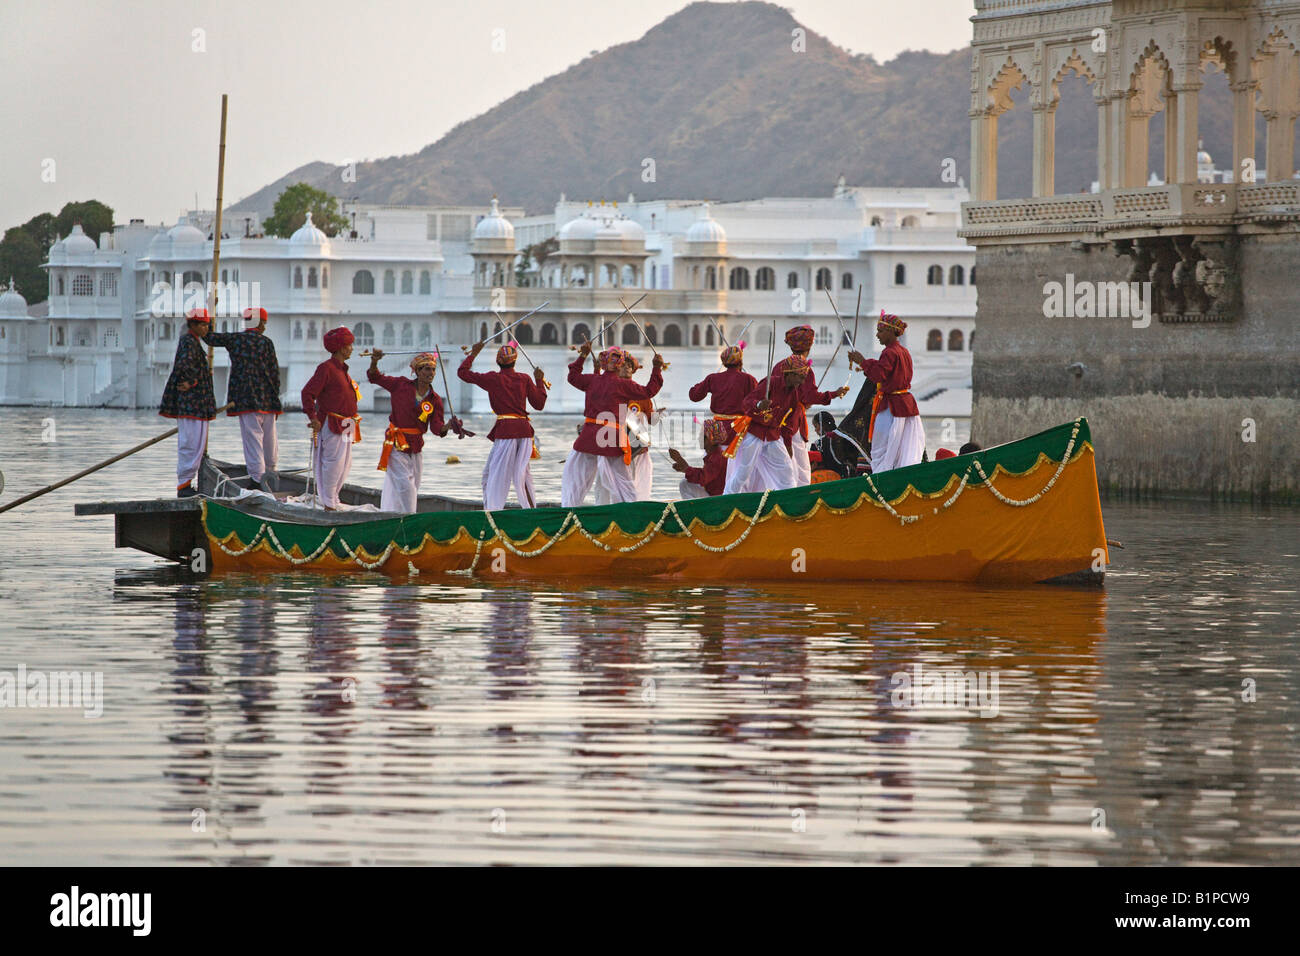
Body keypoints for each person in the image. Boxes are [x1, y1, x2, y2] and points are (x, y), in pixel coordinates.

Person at [724, 356, 849, 494]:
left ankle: (788, 501)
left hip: (772, 435)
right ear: (790, 374)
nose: (802, 382)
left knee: (787, 470)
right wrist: (759, 404)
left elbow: (788, 424)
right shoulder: (770, 383)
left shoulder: (794, 394)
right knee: (743, 472)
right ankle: (728, 499)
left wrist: (788, 445)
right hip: (755, 433)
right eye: (800, 377)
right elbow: (747, 402)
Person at [561, 344, 664, 506]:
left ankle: (567, 510)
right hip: (612, 439)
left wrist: (583, 356)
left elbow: (572, 377)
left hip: (589, 436)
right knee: (623, 481)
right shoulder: (624, 385)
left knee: (575, 477)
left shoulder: (592, 380)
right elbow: (649, 391)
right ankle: (633, 511)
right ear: (620, 365)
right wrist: (657, 368)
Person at [368, 349, 468, 512]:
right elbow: (375, 377)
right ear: (417, 371)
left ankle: (394, 514)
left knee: (412, 487)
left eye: (433, 369)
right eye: (427, 369)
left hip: (416, 447)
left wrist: (448, 426)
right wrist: (374, 361)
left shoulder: (435, 399)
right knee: (406, 487)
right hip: (396, 444)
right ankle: (411, 518)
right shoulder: (400, 384)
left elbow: (436, 427)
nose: (431, 373)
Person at [459, 340, 546, 510]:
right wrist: (539, 381)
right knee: (522, 475)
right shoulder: (525, 378)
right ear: (515, 361)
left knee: (495, 476)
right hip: (524, 431)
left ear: (498, 361)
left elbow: (462, 373)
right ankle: (530, 511)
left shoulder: (493, 378)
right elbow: (539, 404)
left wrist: (474, 353)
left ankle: (493, 512)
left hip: (507, 431)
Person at [204, 306, 282, 491]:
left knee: (253, 439)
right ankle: (271, 474)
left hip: (246, 399)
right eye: (263, 322)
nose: (264, 326)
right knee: (270, 440)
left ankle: (257, 480)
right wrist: (275, 399)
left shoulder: (236, 340)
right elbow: (274, 374)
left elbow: (209, 337)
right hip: (267, 399)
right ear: (258, 322)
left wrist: (209, 321)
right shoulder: (266, 343)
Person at [847, 311, 925, 474]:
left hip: (892, 407)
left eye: (880, 331)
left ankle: (881, 477)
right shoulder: (903, 351)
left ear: (890, 331)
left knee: (880, 448)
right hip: (907, 405)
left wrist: (861, 361)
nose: (877, 335)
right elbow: (886, 369)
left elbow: (878, 375)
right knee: (903, 447)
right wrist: (868, 364)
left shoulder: (889, 352)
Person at [302, 327, 362, 510]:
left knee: (345, 463)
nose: (352, 348)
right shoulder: (326, 368)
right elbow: (307, 393)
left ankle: (334, 498)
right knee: (332, 463)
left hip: (348, 423)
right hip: (333, 422)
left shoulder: (343, 370)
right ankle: (328, 503)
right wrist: (313, 417)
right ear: (342, 348)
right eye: (349, 345)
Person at [159, 308, 216, 497]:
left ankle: (187, 483)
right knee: (190, 444)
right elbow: (185, 367)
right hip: (192, 404)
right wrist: (194, 381)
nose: (206, 328)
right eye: (203, 324)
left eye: (207, 324)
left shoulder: (194, 342)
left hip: (198, 405)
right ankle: (183, 485)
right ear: (193, 325)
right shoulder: (188, 341)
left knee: (196, 444)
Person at [688, 344, 757, 484]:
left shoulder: (713, 378)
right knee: (738, 467)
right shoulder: (748, 379)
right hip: (739, 429)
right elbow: (757, 402)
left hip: (717, 429)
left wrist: (708, 381)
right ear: (741, 362)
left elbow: (694, 395)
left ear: (724, 363)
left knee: (717, 463)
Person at [779, 324, 822, 485]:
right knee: (801, 467)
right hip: (794, 421)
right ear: (809, 346)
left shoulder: (780, 365)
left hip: (777, 421)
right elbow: (808, 396)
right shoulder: (804, 368)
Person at [670, 419, 728, 498]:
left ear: (709, 440)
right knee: (686, 483)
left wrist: (682, 462)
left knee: (684, 485)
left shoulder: (717, 457)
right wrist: (684, 469)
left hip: (717, 499)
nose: (698, 438)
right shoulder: (715, 454)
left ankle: (693, 510)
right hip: (713, 495)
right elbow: (704, 475)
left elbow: (703, 478)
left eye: (700, 436)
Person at [810, 411, 868, 478]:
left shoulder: (817, 444)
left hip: (826, 480)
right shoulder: (846, 438)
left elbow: (814, 466)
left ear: (822, 425)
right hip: (849, 477)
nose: (815, 430)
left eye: (816, 426)